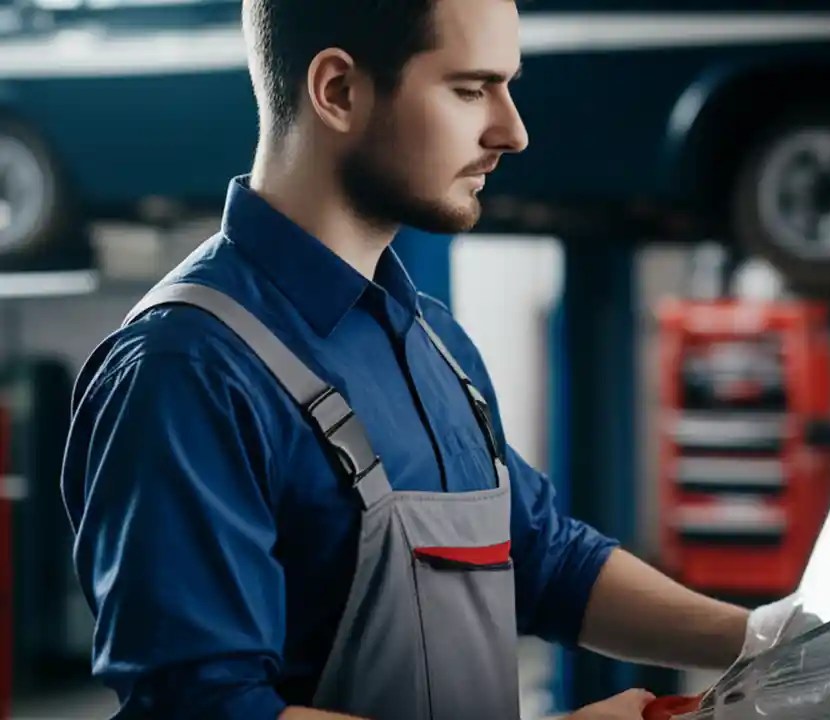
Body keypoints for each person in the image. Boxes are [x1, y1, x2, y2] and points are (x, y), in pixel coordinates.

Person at [59, 0, 753, 718]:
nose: (511, 132)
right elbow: (204, 710)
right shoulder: (186, 370)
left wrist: (763, 638)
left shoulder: (433, 342)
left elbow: (543, 560)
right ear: (338, 91)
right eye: (469, 89)